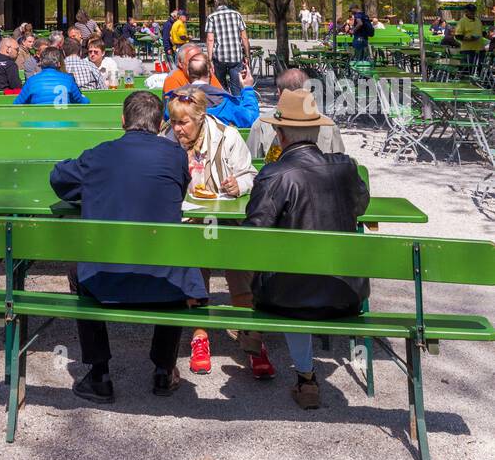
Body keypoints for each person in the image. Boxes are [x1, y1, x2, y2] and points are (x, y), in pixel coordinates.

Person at [49, 89, 204, 400]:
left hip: (105, 281)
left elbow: (59, 179)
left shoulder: (98, 155)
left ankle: (99, 373)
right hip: (165, 283)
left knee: (76, 266)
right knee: (177, 259)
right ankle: (163, 369)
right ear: (160, 122)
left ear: (122, 121)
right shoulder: (175, 156)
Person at [244, 88, 370, 409]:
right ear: (317, 130)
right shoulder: (345, 166)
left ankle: (301, 372)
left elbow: (251, 236)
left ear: (279, 133)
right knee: (302, 274)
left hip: (289, 300)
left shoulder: (273, 175)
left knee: (286, 277)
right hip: (347, 294)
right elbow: (361, 207)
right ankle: (305, 374)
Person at [163, 86, 274, 380]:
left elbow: (250, 174)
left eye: (183, 123)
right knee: (196, 271)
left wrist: (240, 184)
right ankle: (200, 336)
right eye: (174, 121)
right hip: (189, 219)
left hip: (225, 217)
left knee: (239, 270)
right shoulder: (168, 139)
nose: (177, 128)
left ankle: (252, 338)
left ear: (200, 118)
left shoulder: (227, 136)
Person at [247, 67, 346, 159]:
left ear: (279, 93)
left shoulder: (261, 124)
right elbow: (339, 161)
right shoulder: (329, 124)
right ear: (309, 91)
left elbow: (252, 163)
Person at [182, 51, 259, 129]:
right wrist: (247, 89)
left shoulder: (174, 100)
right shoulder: (225, 103)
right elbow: (251, 119)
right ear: (212, 70)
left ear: (188, 72)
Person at [205, 0, 251, 96]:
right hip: (236, 56)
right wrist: (247, 56)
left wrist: (210, 59)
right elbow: (244, 37)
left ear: (216, 1)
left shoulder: (212, 17)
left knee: (220, 87)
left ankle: (224, 107)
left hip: (219, 57)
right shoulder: (237, 15)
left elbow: (210, 39)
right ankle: (237, 107)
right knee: (237, 87)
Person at [14, 46, 88, 105]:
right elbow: (83, 102)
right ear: (59, 63)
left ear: (41, 63)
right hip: (64, 122)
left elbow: (17, 104)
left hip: (37, 122)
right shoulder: (68, 79)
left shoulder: (31, 81)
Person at [454, 3, 485, 73]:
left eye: (474, 11)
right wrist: (470, 39)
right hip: (468, 50)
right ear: (466, 11)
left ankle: (477, 83)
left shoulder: (478, 20)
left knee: (480, 69)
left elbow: (481, 32)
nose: (473, 12)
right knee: (468, 70)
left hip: (480, 49)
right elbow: (458, 36)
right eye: (471, 11)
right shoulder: (462, 21)